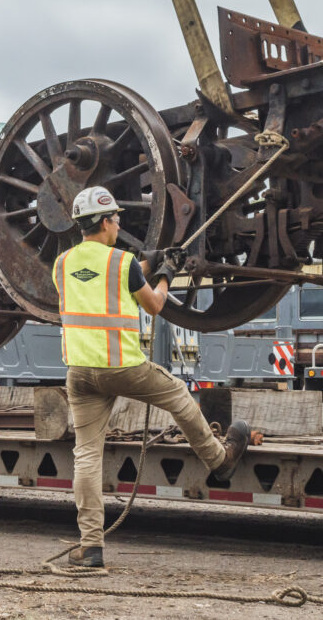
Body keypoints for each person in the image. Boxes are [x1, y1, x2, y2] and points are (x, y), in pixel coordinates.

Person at [53, 186, 252, 568]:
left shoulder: (62, 264)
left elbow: (101, 278)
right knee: (177, 394)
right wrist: (166, 274)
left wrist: (150, 265)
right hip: (123, 368)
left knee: (87, 455)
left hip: (79, 372)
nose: (119, 225)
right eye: (117, 219)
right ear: (107, 222)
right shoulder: (122, 263)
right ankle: (218, 459)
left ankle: (90, 545)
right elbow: (155, 303)